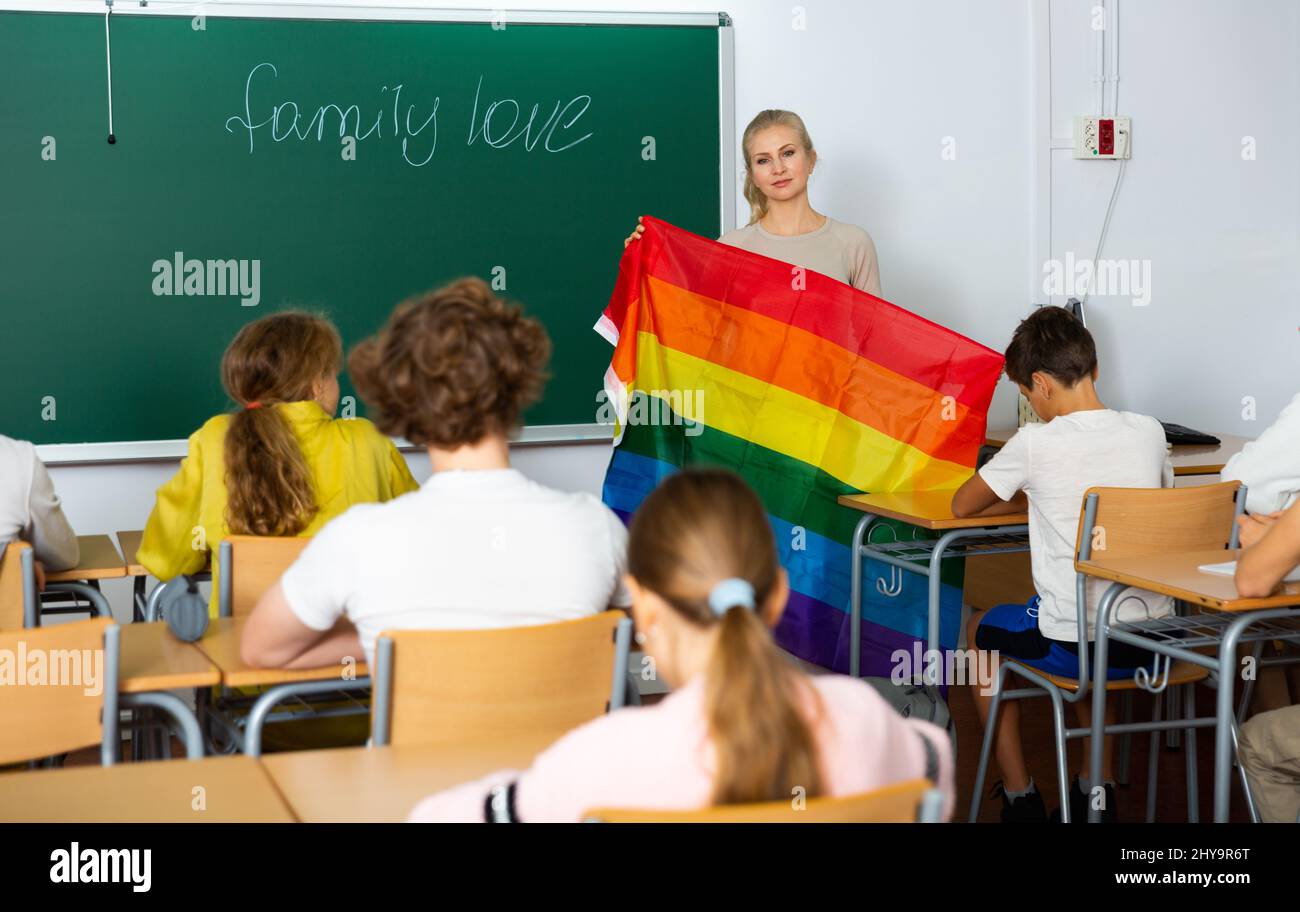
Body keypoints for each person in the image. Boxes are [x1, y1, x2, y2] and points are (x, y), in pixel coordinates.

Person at [406, 468, 954, 822]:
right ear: (779, 596)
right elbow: (936, 764)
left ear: (643, 608)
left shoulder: (602, 759)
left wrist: (515, 786)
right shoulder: (866, 718)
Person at [241, 278, 631, 669]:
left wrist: (377, 643)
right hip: (562, 733)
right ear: (517, 390)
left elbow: (262, 650)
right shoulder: (596, 527)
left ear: (403, 404)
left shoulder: (357, 539)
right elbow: (656, 626)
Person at [951, 305, 1173, 822]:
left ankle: (1018, 794)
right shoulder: (1149, 432)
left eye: (1026, 394)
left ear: (1043, 384)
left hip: (1075, 646)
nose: (1029, 404)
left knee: (978, 630)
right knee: (1107, 604)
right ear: (1093, 369)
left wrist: (1030, 489)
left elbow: (964, 505)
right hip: (1154, 645)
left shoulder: (1033, 443)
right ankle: (1094, 790)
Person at [138, 311, 417, 614]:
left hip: (241, 650)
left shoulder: (216, 438)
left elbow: (166, 559)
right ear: (316, 385)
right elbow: (415, 543)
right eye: (333, 375)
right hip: (351, 650)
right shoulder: (368, 441)